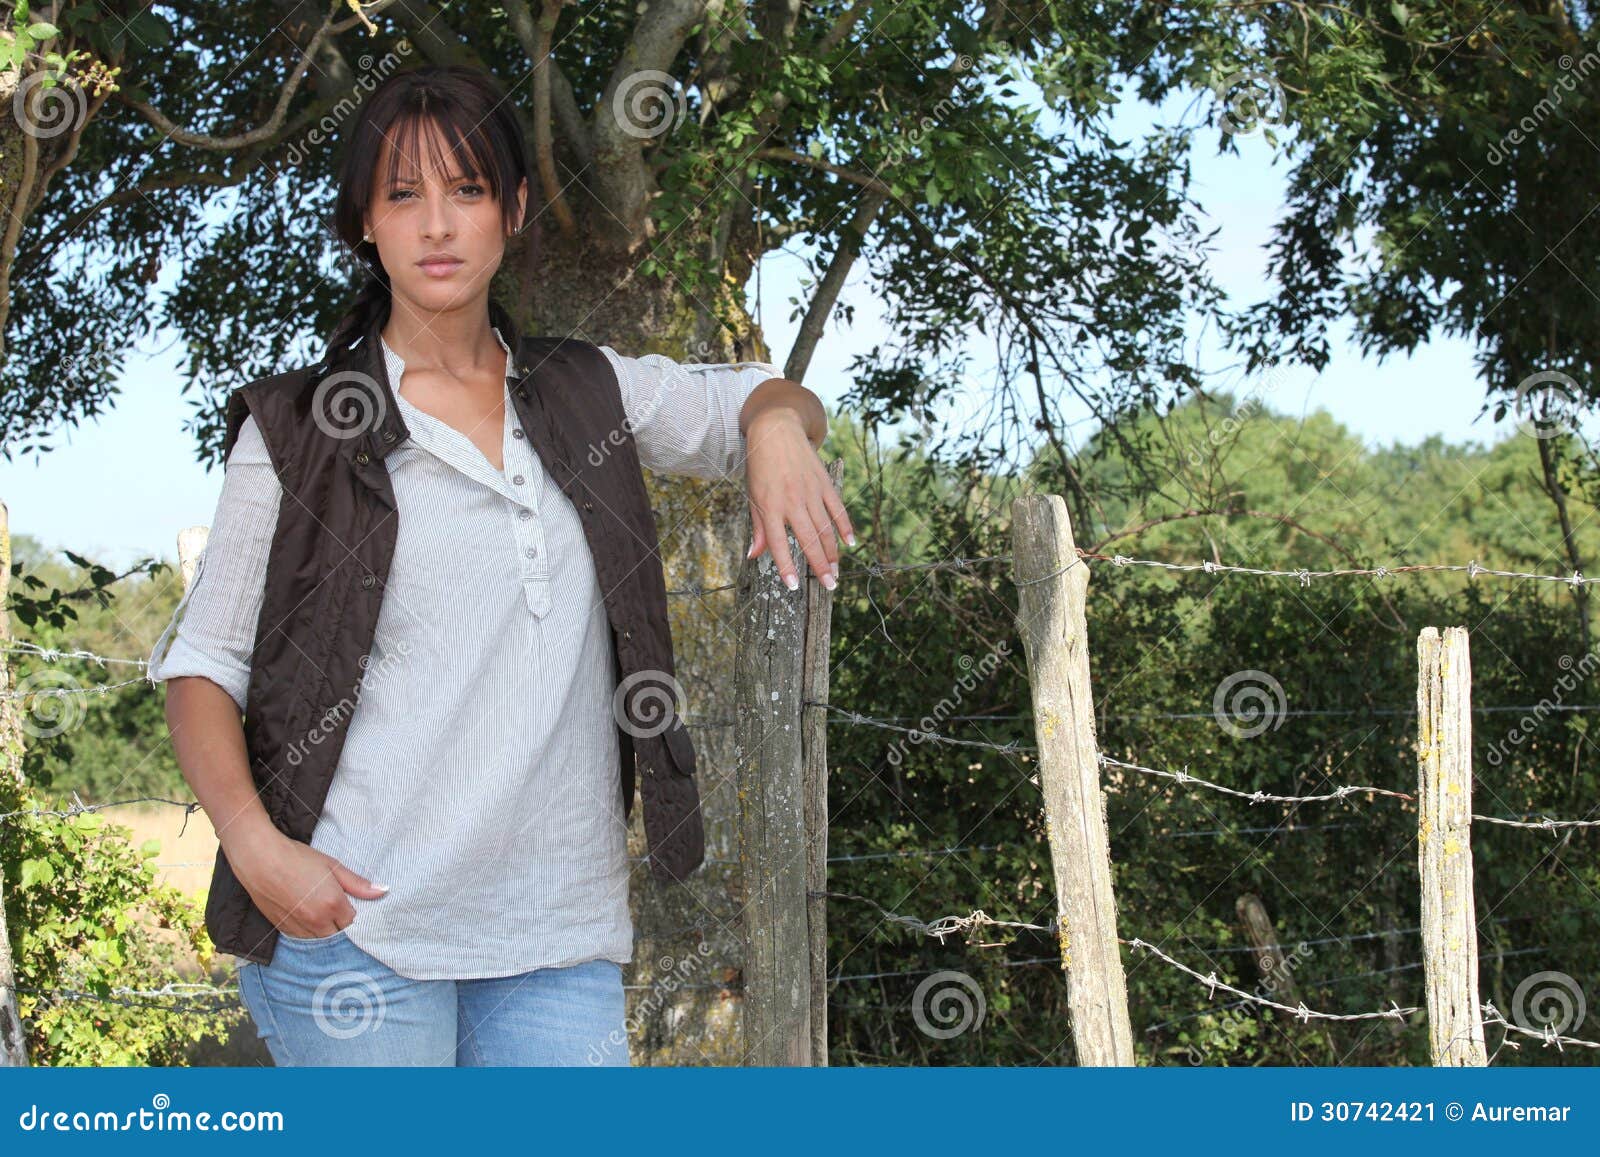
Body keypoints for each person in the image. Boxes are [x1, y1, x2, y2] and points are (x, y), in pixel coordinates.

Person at [146, 63, 852, 1066]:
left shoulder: (585, 390)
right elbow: (201, 665)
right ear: (366, 224)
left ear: (513, 210)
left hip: (557, 937)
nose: (437, 223)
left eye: (468, 190)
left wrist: (778, 425)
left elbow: (761, 397)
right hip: (358, 934)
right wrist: (260, 852)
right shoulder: (298, 430)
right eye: (404, 194)